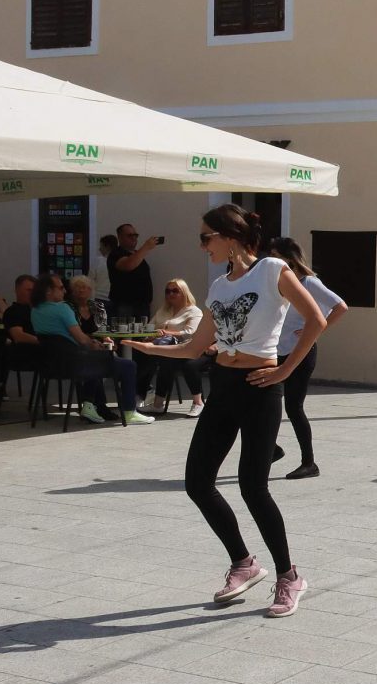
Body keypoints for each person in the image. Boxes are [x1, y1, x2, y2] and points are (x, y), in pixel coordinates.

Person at [129, 203, 327, 618]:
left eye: (206, 237)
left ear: (230, 237)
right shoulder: (219, 286)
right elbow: (195, 348)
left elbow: (316, 319)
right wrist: (148, 348)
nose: (202, 246)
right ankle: (243, 563)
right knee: (197, 483)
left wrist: (285, 370)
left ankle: (289, 577)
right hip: (223, 387)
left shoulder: (272, 269)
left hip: (260, 388)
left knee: (254, 488)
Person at [268, 237, 348, 478]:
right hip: (278, 351)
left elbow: (341, 306)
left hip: (301, 352)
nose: (271, 260)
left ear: (288, 258)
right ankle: (273, 450)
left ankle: (309, 463)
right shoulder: (282, 283)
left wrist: (317, 330)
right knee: (261, 403)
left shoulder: (309, 283)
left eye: (275, 256)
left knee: (293, 407)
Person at [30, 273, 154, 425]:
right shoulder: (62, 308)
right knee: (128, 365)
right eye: (61, 288)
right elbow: (81, 339)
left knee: (95, 357)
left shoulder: (35, 311)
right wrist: (94, 344)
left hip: (52, 365)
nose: (65, 291)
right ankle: (129, 411)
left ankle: (90, 405)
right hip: (76, 362)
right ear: (49, 291)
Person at [137, 278, 207, 417]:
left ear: (184, 292)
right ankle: (143, 397)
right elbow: (149, 327)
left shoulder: (194, 311)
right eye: (168, 291)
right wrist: (150, 336)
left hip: (187, 349)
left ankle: (198, 402)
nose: (171, 294)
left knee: (180, 363)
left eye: (175, 291)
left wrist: (166, 332)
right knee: (143, 356)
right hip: (164, 349)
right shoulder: (163, 310)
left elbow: (190, 333)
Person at [107, 223, 159, 321]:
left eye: (135, 235)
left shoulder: (136, 254)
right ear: (120, 237)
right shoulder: (116, 253)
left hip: (142, 305)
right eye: (130, 235)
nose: (134, 238)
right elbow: (128, 265)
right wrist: (146, 247)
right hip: (125, 304)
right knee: (124, 330)